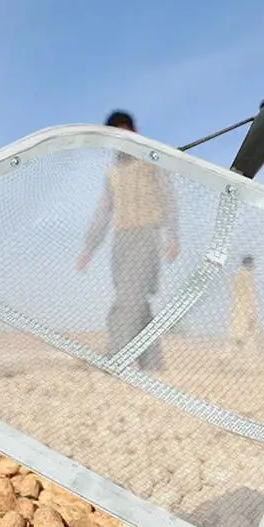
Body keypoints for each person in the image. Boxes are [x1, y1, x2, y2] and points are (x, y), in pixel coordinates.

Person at [75, 110, 179, 371]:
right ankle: (153, 364)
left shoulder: (152, 161)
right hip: (121, 241)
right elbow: (103, 211)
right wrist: (88, 248)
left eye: (125, 133)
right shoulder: (112, 172)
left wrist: (172, 237)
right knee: (136, 301)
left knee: (128, 299)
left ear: (135, 132)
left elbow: (168, 199)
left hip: (147, 237)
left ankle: (114, 357)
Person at [229, 254, 258, 347]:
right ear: (249, 264)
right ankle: (243, 343)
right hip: (246, 304)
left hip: (237, 304)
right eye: (252, 264)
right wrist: (252, 309)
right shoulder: (247, 276)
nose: (253, 266)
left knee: (239, 324)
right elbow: (250, 293)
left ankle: (239, 341)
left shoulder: (237, 275)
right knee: (249, 325)